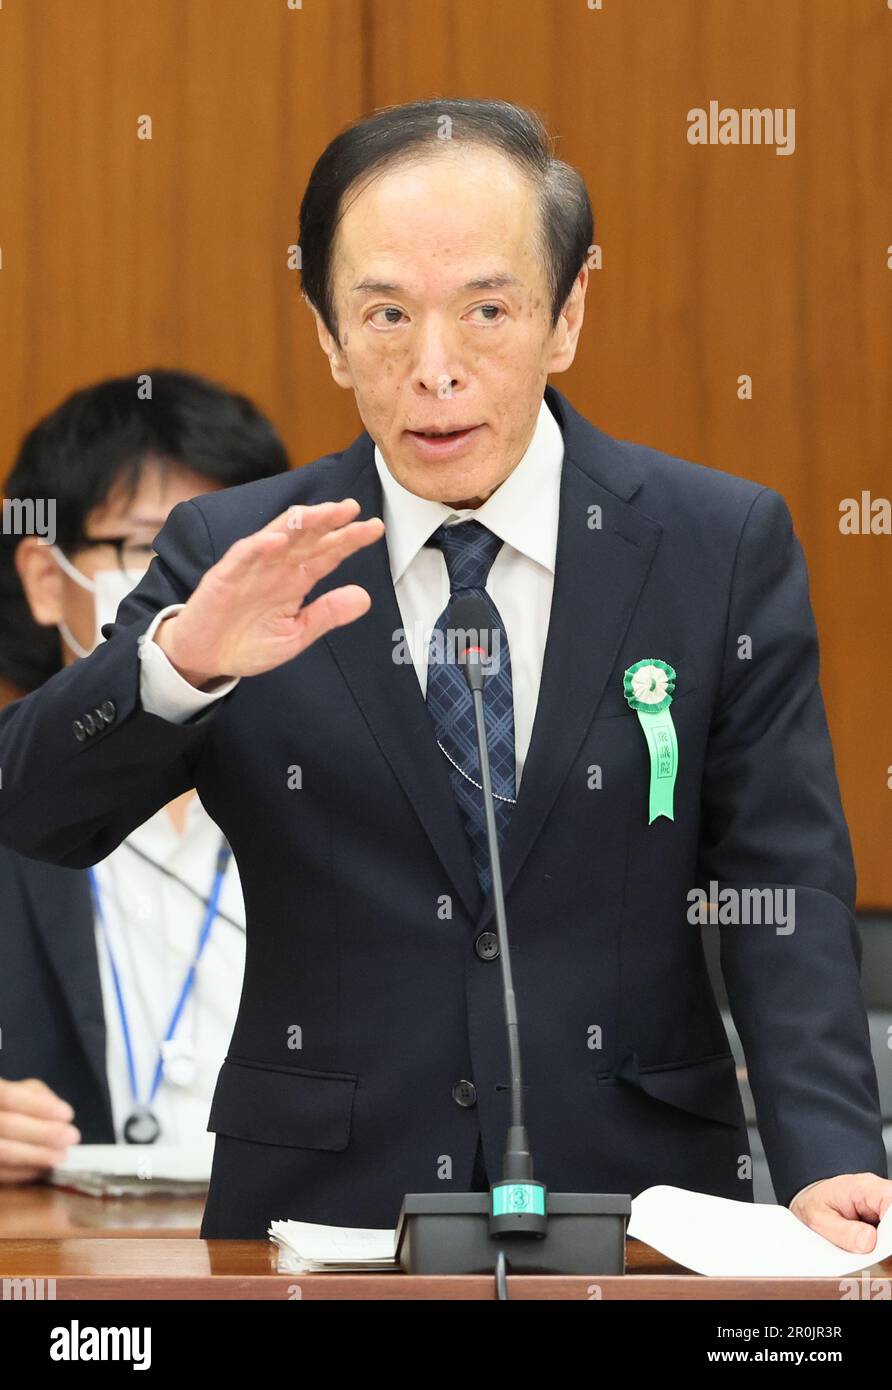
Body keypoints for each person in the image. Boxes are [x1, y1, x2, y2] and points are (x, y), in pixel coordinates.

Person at [0, 99, 887, 1248]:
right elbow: (33, 808)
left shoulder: (712, 544)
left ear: (565, 314)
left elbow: (785, 881)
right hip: (318, 1213)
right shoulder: (239, 552)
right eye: (382, 314)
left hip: (640, 1200)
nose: (433, 370)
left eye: (486, 309)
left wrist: (828, 1159)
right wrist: (177, 664)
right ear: (325, 332)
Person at [0, 369, 289, 1182]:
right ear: (47, 576)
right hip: (61, 1259)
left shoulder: (339, 787)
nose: (196, 585)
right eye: (150, 547)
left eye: (234, 550)